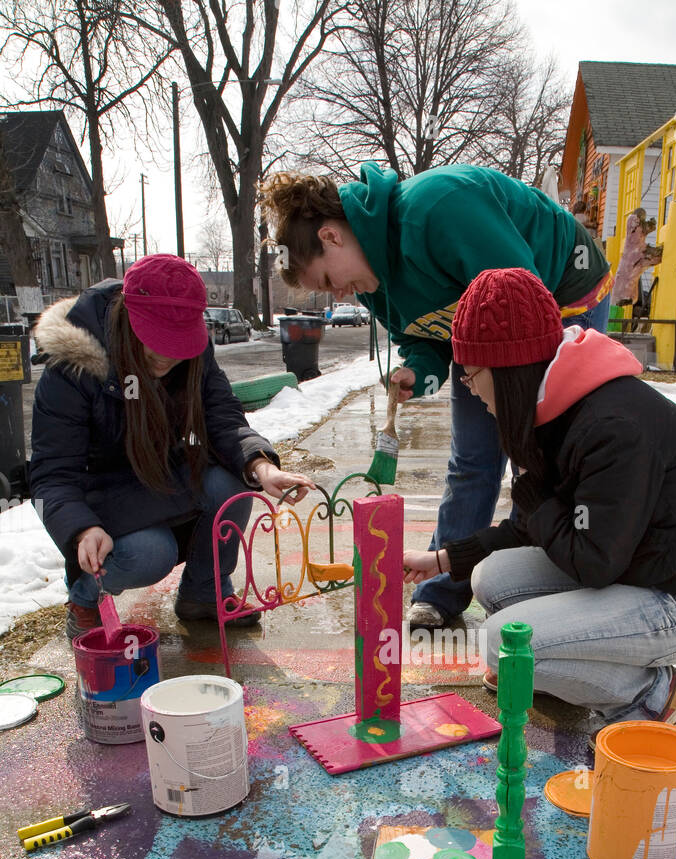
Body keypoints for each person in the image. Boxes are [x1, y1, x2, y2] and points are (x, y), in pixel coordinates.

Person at [260, 163, 613, 629]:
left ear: (331, 236)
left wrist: (520, 411)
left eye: (328, 281)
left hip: (562, 291)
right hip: (488, 326)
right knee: (471, 461)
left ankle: (552, 588)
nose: (340, 295)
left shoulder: (438, 207)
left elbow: (521, 301)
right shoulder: (369, 279)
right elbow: (425, 334)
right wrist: (418, 373)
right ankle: (443, 592)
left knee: (543, 451)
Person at [403, 268, 676, 729]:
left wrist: (537, 496)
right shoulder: (553, 406)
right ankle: (558, 667)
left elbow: (592, 561)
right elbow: (532, 525)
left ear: (508, 370)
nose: (468, 388)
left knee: (502, 643)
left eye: (469, 376)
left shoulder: (610, 428)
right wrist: (444, 560)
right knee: (490, 579)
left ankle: (648, 694)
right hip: (637, 569)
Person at [29, 254, 312, 639]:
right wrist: (81, 531)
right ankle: (84, 596)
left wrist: (261, 465)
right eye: (157, 340)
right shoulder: (73, 367)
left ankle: (204, 593)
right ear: (128, 316)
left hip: (167, 480)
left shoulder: (194, 355)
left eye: (179, 344)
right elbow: (51, 475)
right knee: (151, 552)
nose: (168, 355)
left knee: (234, 484)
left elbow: (223, 417)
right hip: (106, 500)